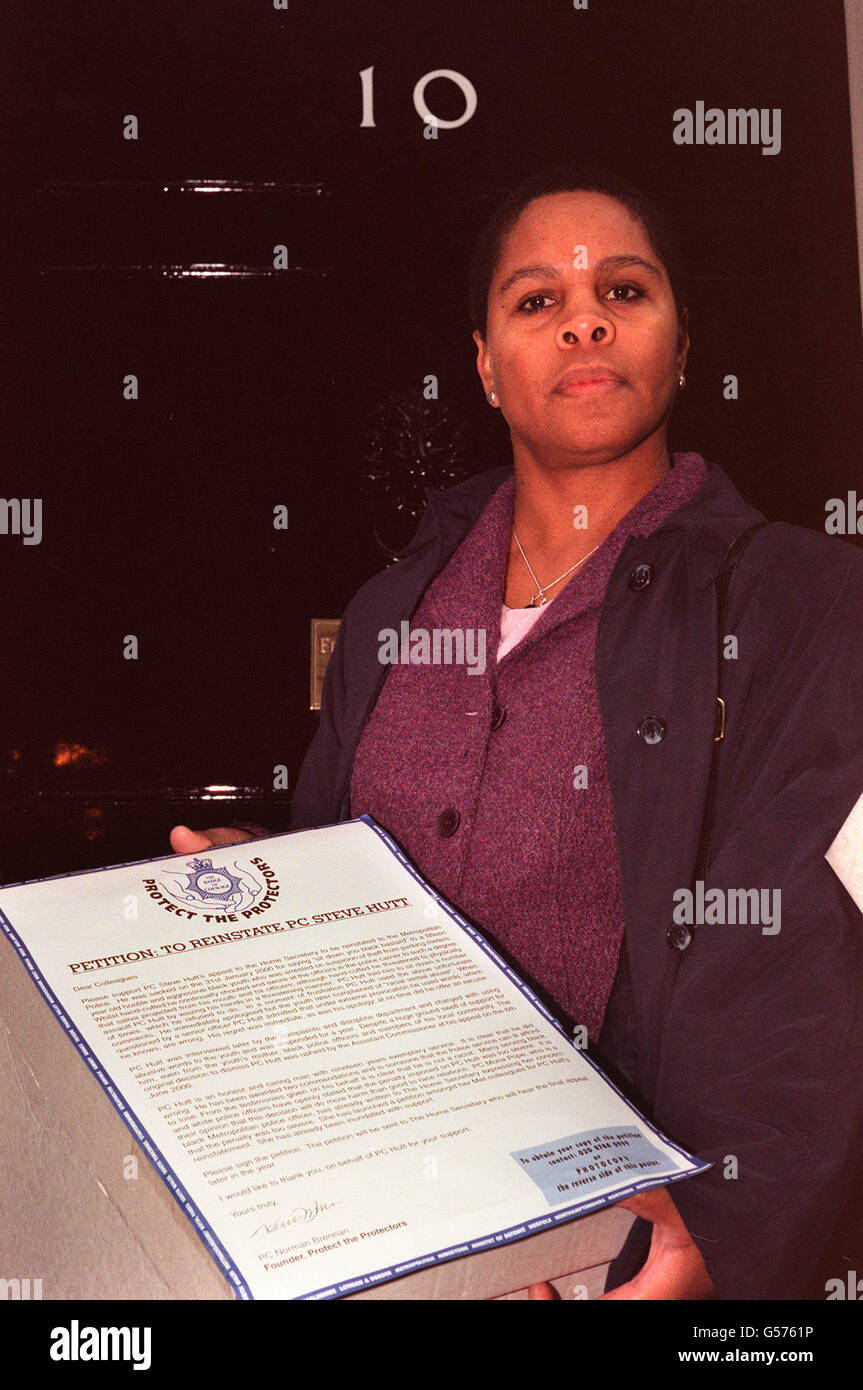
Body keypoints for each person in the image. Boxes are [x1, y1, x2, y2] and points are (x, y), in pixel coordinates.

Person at [172, 165, 863, 1300]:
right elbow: (340, 892)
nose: (583, 317)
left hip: (613, 1241)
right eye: (536, 300)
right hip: (371, 1205)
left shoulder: (804, 603)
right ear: (486, 367)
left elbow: (814, 966)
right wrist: (253, 890)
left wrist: (710, 1244)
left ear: (681, 347)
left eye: (625, 292)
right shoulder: (394, 609)